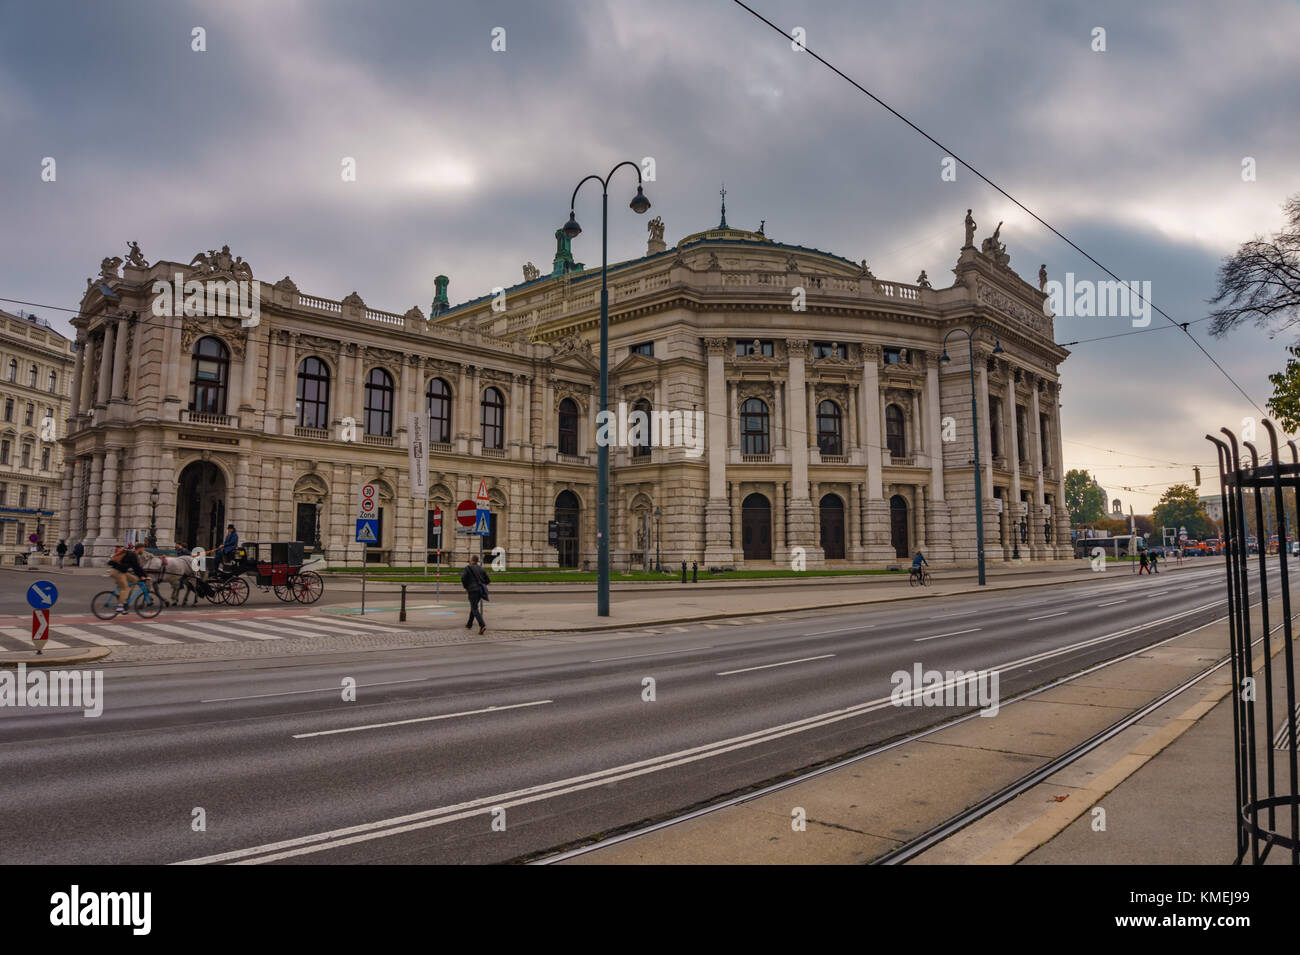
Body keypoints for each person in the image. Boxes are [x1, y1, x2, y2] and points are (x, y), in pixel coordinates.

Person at [108, 541, 148, 612]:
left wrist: (141, 576)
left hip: (121, 571)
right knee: (125, 588)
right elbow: (137, 567)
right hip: (117, 572)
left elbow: (136, 568)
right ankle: (120, 606)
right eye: (143, 549)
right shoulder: (133, 555)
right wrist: (144, 576)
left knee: (135, 579)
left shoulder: (131, 554)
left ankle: (124, 598)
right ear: (140, 548)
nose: (143, 551)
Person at [461, 553, 491, 634]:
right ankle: (469, 624)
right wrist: (481, 584)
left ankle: (482, 625)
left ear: (472, 560)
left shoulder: (467, 568)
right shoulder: (481, 568)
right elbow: (488, 580)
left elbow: (463, 578)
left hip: (472, 590)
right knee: (473, 607)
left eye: (470, 559)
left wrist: (466, 587)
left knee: (474, 608)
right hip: (479, 590)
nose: (469, 560)